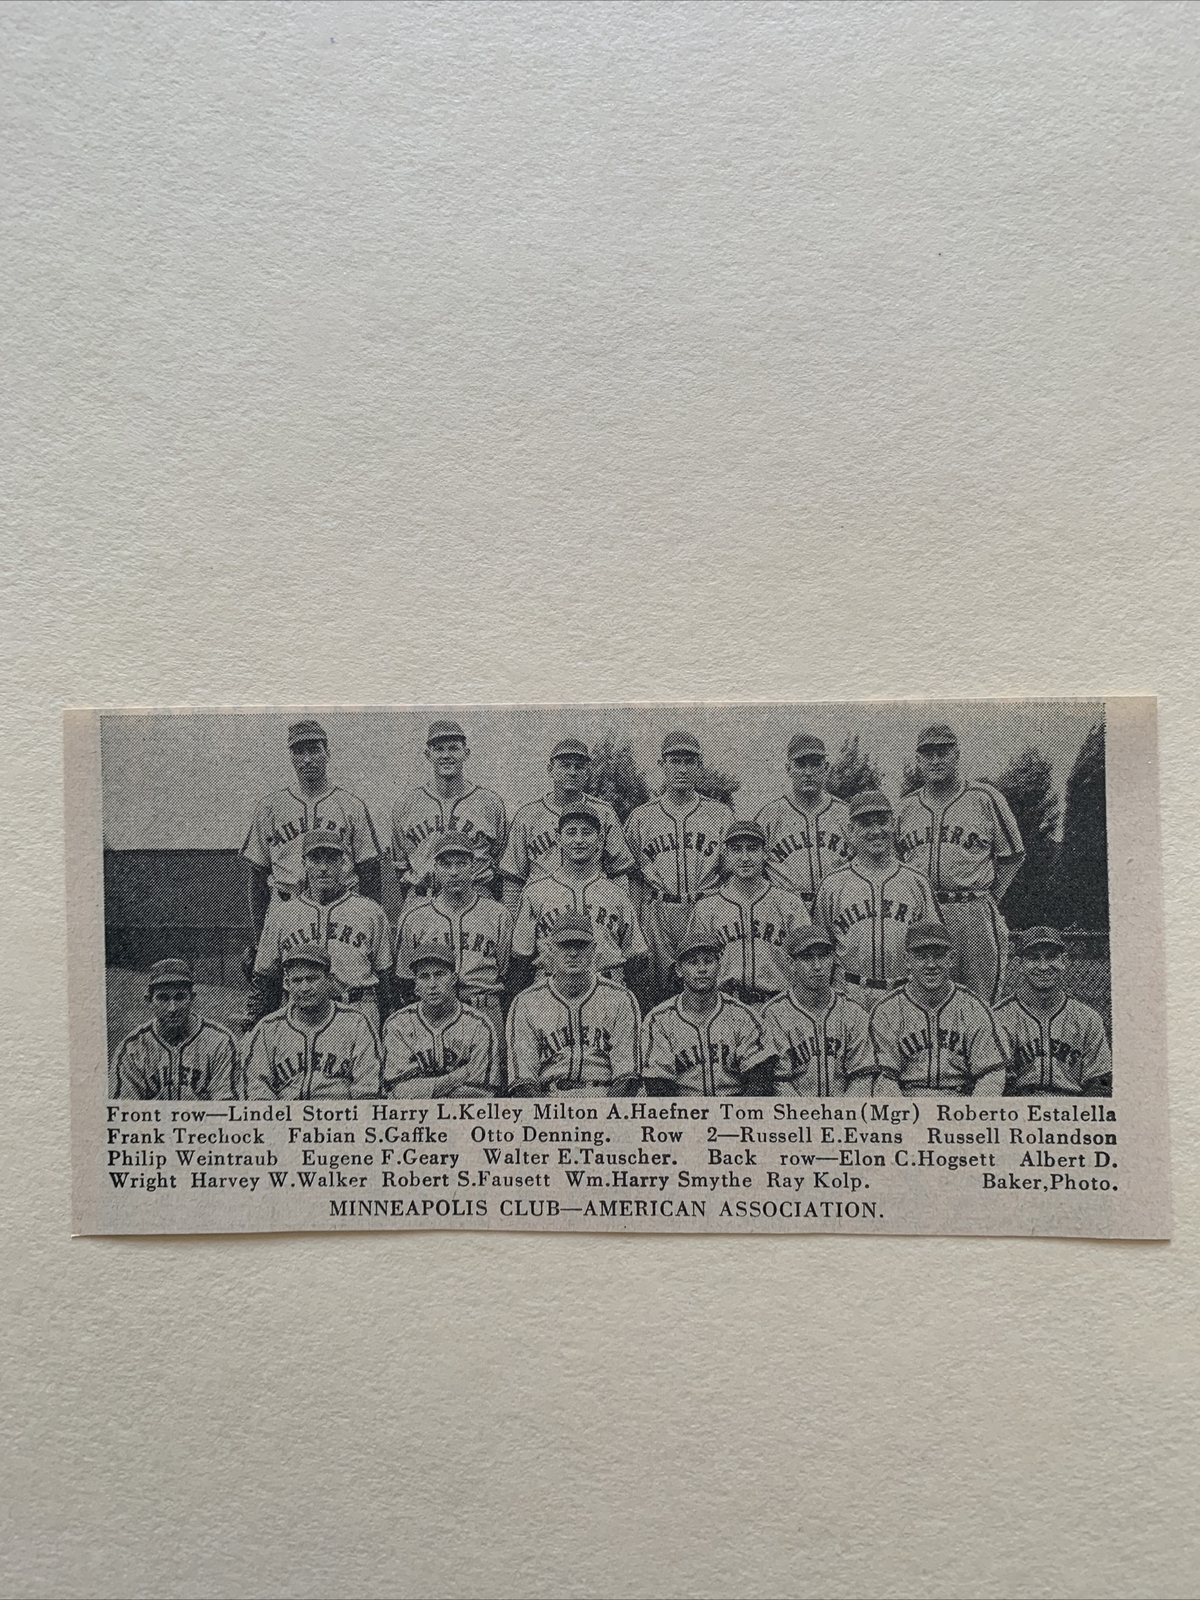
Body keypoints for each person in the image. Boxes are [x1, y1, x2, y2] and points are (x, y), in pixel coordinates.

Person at [896, 722, 1025, 1005]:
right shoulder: (905, 807)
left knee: (979, 1002)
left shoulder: (984, 798)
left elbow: (1013, 855)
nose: (935, 760)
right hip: (922, 914)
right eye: (928, 754)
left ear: (957, 754)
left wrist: (991, 897)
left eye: (943, 752)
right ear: (918, 759)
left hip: (972, 911)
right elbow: (895, 865)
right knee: (924, 1000)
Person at [241, 718, 382, 942]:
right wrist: (259, 939)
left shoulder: (351, 806)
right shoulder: (270, 807)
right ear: (291, 757)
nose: (307, 759)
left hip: (342, 910)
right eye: (299, 752)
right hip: (286, 909)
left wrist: (369, 928)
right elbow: (257, 877)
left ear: (327, 753)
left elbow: (370, 873)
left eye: (314, 750)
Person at [622, 730, 734, 1009]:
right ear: (662, 764)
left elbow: (730, 874)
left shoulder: (720, 814)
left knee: (705, 991)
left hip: (704, 907)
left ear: (699, 765)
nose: (682, 769)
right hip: (657, 913)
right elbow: (634, 878)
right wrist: (636, 925)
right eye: (675, 761)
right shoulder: (642, 816)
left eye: (689, 761)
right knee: (654, 995)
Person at [249, 831, 393, 1035]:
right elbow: (265, 980)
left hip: (357, 1010)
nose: (323, 868)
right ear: (304, 863)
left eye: (331, 859)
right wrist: (254, 1027)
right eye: (315, 859)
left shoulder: (370, 911)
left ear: (343, 863)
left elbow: (386, 979)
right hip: (300, 1015)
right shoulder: (282, 915)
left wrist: (388, 1029)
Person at [812, 790, 940, 1005]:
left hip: (906, 992)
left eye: (882, 822)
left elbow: (933, 945)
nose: (876, 831)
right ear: (851, 831)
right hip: (849, 993)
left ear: (893, 825)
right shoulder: (832, 884)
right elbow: (821, 947)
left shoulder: (916, 881)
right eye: (866, 824)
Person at [510, 801, 647, 988]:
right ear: (558, 838)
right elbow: (521, 959)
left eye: (587, 832)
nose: (579, 840)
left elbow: (636, 958)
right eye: (571, 832)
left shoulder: (616, 895)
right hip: (551, 987)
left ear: (600, 839)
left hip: (606, 987)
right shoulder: (535, 892)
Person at [394, 831, 514, 1044]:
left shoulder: (498, 914)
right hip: (434, 1013)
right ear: (435, 867)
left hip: (484, 1006)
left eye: (461, 863)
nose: (454, 872)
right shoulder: (415, 917)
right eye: (446, 864)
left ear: (473, 866)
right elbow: (405, 979)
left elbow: (506, 972)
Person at [505, 911, 640, 1097]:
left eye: (581, 945)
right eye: (564, 945)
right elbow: (523, 1081)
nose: (573, 953)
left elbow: (627, 1077)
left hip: (605, 1095)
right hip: (549, 1099)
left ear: (593, 949)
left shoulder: (620, 998)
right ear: (551, 949)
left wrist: (604, 1113)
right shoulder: (526, 1002)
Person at [867, 921, 1007, 1097]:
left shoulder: (973, 1007)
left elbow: (992, 1073)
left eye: (939, 956)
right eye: (921, 956)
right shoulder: (886, 1011)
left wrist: (974, 1109)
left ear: (951, 959)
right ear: (907, 961)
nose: (931, 965)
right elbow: (884, 1078)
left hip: (961, 1102)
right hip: (907, 1101)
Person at [499, 737, 635, 916]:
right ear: (550, 770)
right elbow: (514, 879)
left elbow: (619, 872)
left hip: (592, 908)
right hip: (542, 909)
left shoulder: (604, 812)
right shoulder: (528, 815)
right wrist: (515, 921)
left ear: (587, 773)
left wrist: (620, 916)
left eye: (579, 767)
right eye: (565, 765)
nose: (572, 772)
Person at [683, 819, 811, 1009]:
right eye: (736, 849)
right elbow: (693, 966)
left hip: (779, 1005)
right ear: (726, 854)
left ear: (765, 853)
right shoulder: (706, 908)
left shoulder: (789, 904)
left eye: (752, 849)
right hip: (725, 1007)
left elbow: (807, 962)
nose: (745, 857)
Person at [639, 927, 775, 1096]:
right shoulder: (659, 1020)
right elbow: (658, 1088)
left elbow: (760, 1083)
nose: (702, 969)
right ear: (679, 970)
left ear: (719, 966)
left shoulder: (744, 1017)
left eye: (708, 961)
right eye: (693, 962)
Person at [389, 719, 508, 910]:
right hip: (423, 899)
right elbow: (400, 867)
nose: (446, 755)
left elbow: (499, 861)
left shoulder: (490, 802)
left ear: (466, 753)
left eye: (453, 748)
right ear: (428, 754)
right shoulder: (406, 804)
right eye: (439, 749)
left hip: (476, 898)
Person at [242, 944, 381, 1100]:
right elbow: (256, 1088)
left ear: (329, 980)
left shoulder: (356, 1024)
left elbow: (368, 1089)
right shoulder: (268, 1029)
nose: (304, 988)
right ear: (287, 983)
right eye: (297, 980)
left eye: (312, 978)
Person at [995, 926, 1112, 1096]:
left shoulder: (1088, 1019)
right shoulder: (999, 1018)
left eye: (1051, 957)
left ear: (1063, 961)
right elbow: (996, 1083)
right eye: (1034, 958)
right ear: (1020, 965)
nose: (1043, 966)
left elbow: (1101, 1082)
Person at [760, 926, 874, 1097]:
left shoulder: (853, 1012)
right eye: (807, 957)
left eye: (824, 956)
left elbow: (862, 1078)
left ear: (833, 958)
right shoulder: (774, 1014)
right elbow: (779, 1083)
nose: (818, 966)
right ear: (792, 964)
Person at [381, 943, 501, 1099]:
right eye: (424, 977)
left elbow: (483, 1094)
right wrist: (456, 1078)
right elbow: (400, 1092)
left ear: (454, 979)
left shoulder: (479, 1025)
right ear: (416, 985)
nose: (432, 984)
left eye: (439, 974)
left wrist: (423, 1090)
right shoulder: (398, 1025)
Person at [110, 958, 237, 1101]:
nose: (172, 1008)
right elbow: (123, 1108)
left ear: (192, 998)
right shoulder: (132, 1049)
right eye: (163, 998)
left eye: (180, 997)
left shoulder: (220, 1042)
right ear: (149, 1000)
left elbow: (227, 1107)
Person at [755, 733, 852, 911]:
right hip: (786, 909)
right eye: (800, 764)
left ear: (826, 767)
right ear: (788, 769)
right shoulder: (770, 816)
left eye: (815, 764)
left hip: (839, 907)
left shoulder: (845, 814)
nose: (808, 773)